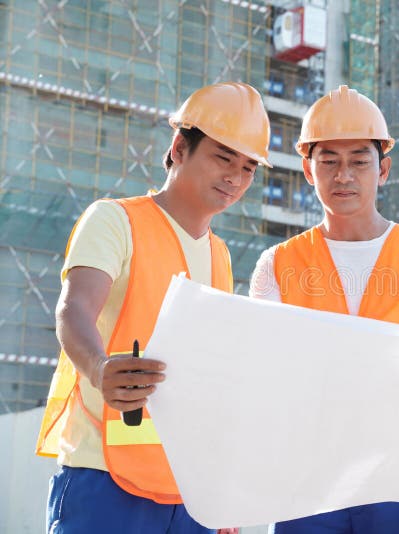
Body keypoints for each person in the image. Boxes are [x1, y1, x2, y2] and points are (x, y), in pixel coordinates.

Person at [249, 85, 399, 534]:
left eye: (359, 161)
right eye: (329, 162)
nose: (344, 175)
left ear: (384, 170)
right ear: (307, 169)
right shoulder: (277, 266)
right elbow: (262, 374)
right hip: (308, 484)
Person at [36, 82, 271, 533]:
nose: (235, 178)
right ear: (180, 147)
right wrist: (100, 367)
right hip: (104, 476)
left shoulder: (219, 255)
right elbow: (74, 309)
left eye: (248, 168)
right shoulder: (115, 220)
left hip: (190, 489)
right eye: (223, 158)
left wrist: (222, 489)